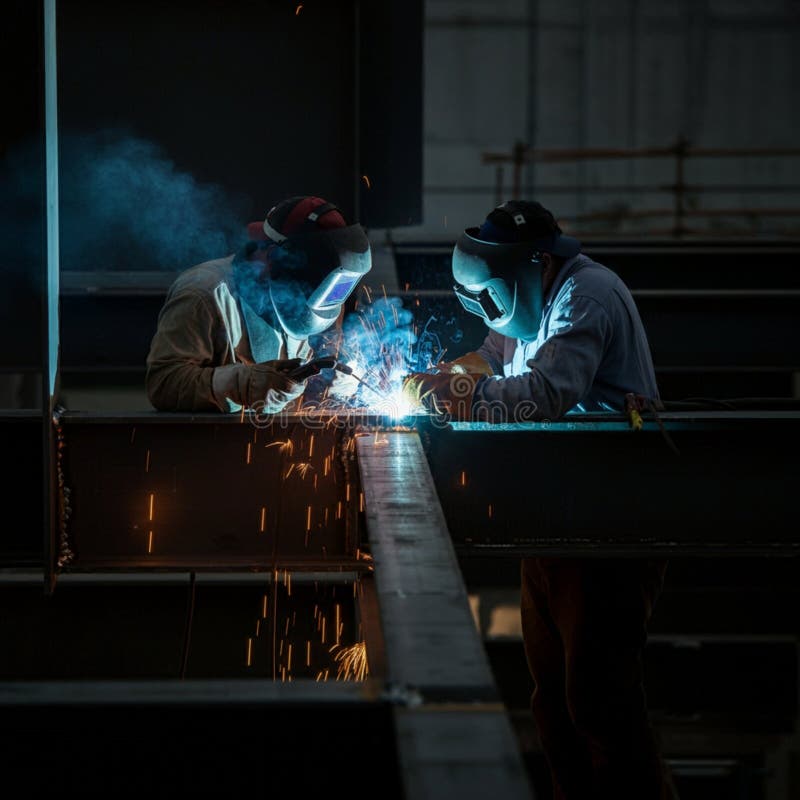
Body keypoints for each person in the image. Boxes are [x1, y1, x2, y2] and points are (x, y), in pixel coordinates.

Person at [404, 200, 674, 799]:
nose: (492, 312)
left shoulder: (587, 296)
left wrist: (455, 400)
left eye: (494, 295)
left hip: (606, 534)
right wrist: (448, 374)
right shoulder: (526, 301)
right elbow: (491, 356)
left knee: (601, 707)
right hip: (550, 525)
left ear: (536, 265)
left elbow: (549, 392)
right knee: (552, 706)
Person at [146, 195, 372, 412]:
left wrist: (324, 387)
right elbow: (164, 384)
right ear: (274, 256)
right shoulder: (203, 294)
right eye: (302, 286)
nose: (303, 297)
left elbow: (310, 387)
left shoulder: (324, 303)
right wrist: (244, 385)